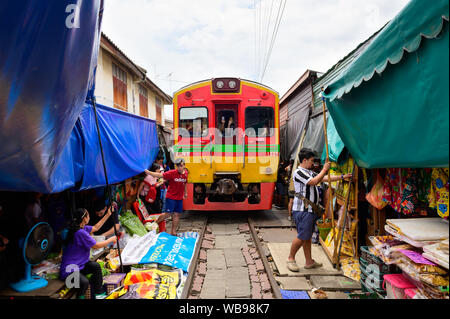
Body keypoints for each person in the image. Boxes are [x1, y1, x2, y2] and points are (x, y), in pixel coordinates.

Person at [286, 149, 352, 272]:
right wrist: (324, 169)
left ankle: (309, 261)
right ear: (304, 160)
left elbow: (325, 178)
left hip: (310, 210)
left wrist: (342, 176)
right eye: (311, 161)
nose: (313, 163)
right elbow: (314, 181)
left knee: (307, 237)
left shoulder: (308, 172)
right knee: (302, 236)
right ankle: (291, 258)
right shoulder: (298, 172)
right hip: (303, 210)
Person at [60, 208, 117, 299]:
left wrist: (108, 214)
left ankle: (99, 294)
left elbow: (96, 227)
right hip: (69, 270)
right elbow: (96, 245)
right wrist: (110, 239)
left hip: (80, 265)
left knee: (95, 266)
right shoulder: (80, 233)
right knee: (84, 282)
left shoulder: (82, 228)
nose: (89, 217)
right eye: (88, 215)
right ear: (84, 219)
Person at [145, 158, 188, 236]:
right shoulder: (172, 173)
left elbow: (185, 183)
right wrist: (149, 172)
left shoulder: (186, 173)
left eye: (181, 166)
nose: (179, 168)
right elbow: (160, 175)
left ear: (184, 165)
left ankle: (173, 232)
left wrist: (185, 192)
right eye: (177, 166)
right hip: (171, 197)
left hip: (179, 198)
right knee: (168, 214)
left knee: (177, 214)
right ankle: (154, 224)